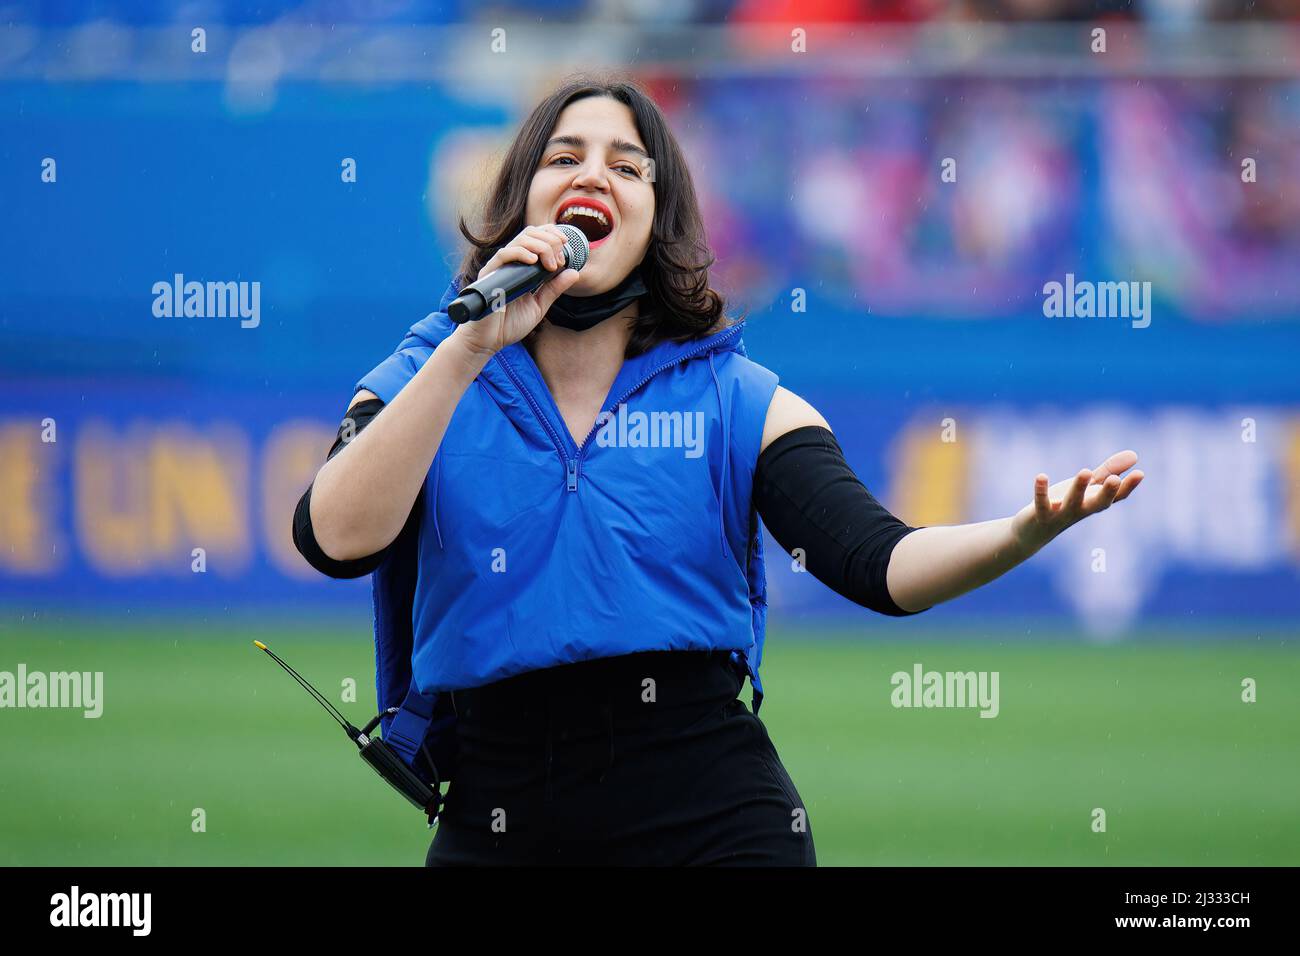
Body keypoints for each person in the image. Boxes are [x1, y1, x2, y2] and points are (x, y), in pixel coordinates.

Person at [292, 74, 1144, 866]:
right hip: (497, 815)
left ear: (659, 218)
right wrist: (468, 347)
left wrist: (1025, 531)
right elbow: (333, 539)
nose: (596, 175)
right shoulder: (424, 372)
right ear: (521, 201)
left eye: (630, 166)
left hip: (710, 819)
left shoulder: (738, 398)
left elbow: (882, 565)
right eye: (565, 157)